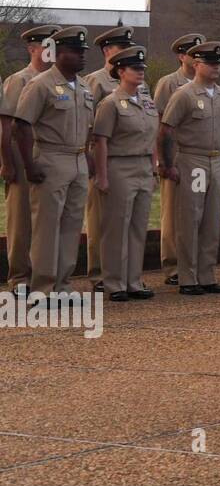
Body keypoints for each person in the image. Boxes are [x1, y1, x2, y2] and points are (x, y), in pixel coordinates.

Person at [13, 26, 94, 297]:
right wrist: (29, 165)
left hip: (78, 159)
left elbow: (88, 127)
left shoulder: (83, 87)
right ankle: (43, 288)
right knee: (47, 228)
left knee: (71, 227)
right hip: (51, 157)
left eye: (83, 51)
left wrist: (88, 158)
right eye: (75, 51)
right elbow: (22, 126)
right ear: (58, 54)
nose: (82, 56)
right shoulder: (41, 84)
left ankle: (62, 285)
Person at [159, 41, 220, 296]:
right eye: (210, 64)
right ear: (196, 64)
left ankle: (207, 274)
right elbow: (166, 130)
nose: (216, 68)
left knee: (212, 220)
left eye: (218, 64)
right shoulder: (184, 94)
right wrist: (168, 164)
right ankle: (187, 276)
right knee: (191, 218)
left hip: (215, 162)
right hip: (193, 161)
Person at [91, 46, 157, 301]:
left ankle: (133, 280)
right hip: (120, 166)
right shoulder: (110, 103)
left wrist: (153, 168)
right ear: (120, 71)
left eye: (142, 68)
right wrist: (102, 175)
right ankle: (114, 283)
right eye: (134, 68)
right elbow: (101, 140)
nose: (140, 72)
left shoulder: (147, 101)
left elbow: (152, 137)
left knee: (138, 227)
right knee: (117, 226)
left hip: (142, 167)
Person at [1, 23, 58, 295]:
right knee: (21, 218)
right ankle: (19, 277)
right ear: (32, 48)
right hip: (21, 156)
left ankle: (42, 274)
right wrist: (7, 163)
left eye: (54, 47)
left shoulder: (58, 82)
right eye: (46, 46)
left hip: (47, 156)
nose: (50, 52)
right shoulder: (19, 80)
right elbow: (7, 126)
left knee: (45, 219)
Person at [83, 25, 140, 292]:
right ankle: (100, 274)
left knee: (129, 223)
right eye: (122, 48)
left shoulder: (138, 82)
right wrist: (91, 161)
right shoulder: (95, 81)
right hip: (105, 158)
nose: (128, 53)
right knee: (101, 221)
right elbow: (87, 123)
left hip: (133, 158)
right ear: (107, 51)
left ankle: (126, 275)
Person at [154, 32, 204, 286]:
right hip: (176, 156)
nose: (196, 58)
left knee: (197, 213)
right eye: (192, 53)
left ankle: (193, 265)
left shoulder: (205, 84)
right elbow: (159, 122)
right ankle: (173, 266)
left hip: (198, 158)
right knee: (172, 213)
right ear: (181, 56)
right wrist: (161, 160)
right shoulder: (168, 83)